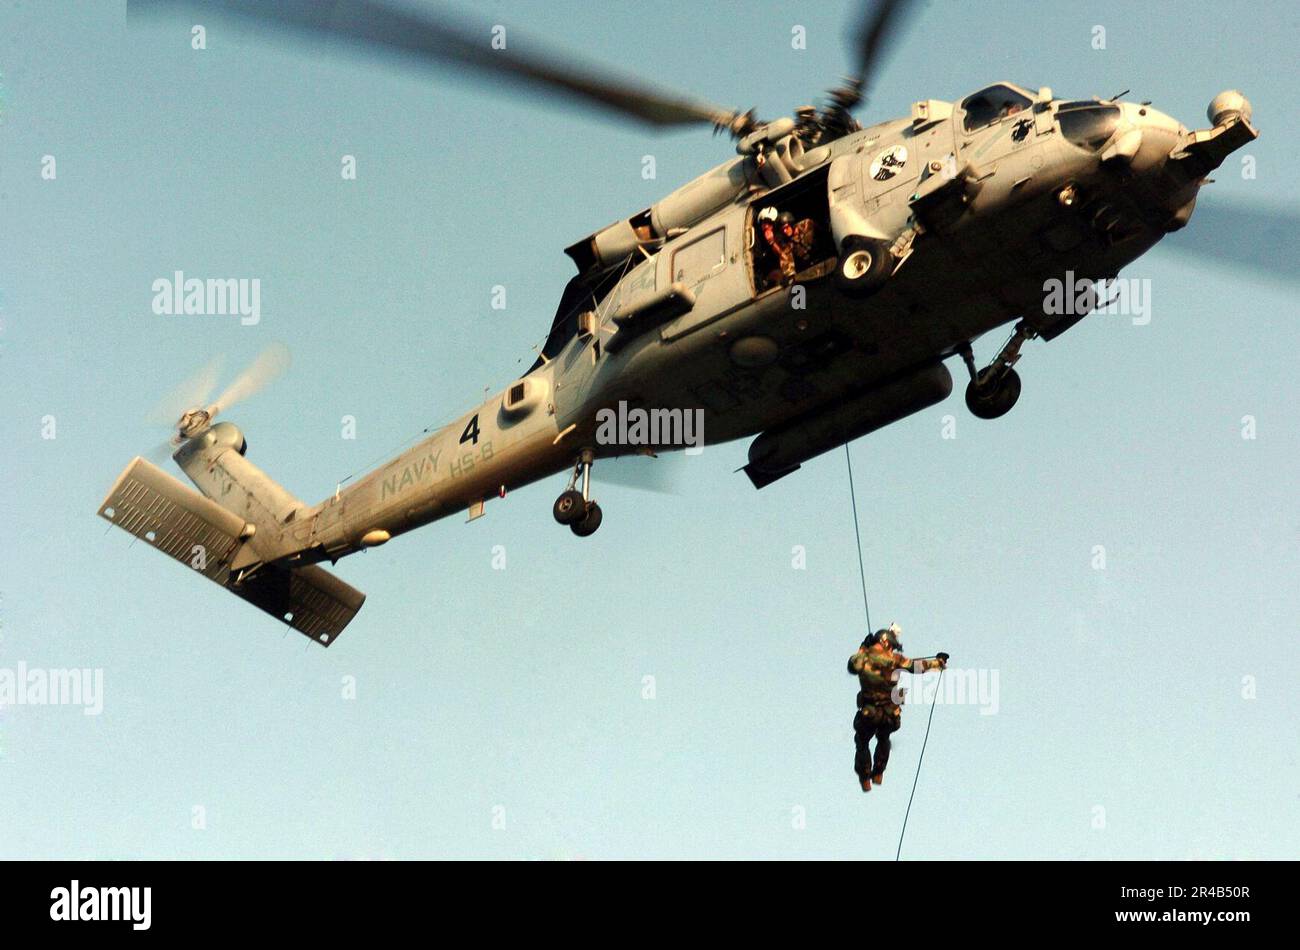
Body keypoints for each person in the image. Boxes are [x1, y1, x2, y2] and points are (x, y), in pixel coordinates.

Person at [847, 623, 948, 793]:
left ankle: (865, 778)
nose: (893, 650)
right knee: (884, 738)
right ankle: (878, 773)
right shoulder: (896, 660)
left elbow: (853, 666)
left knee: (862, 742)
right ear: (886, 643)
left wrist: (863, 648)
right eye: (892, 646)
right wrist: (938, 662)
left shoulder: (863, 658)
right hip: (890, 714)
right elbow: (918, 667)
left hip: (869, 712)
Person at [758, 207, 817, 287]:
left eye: (768, 223)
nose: (765, 227)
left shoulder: (804, 225)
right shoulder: (781, 241)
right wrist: (772, 242)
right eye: (763, 224)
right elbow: (783, 257)